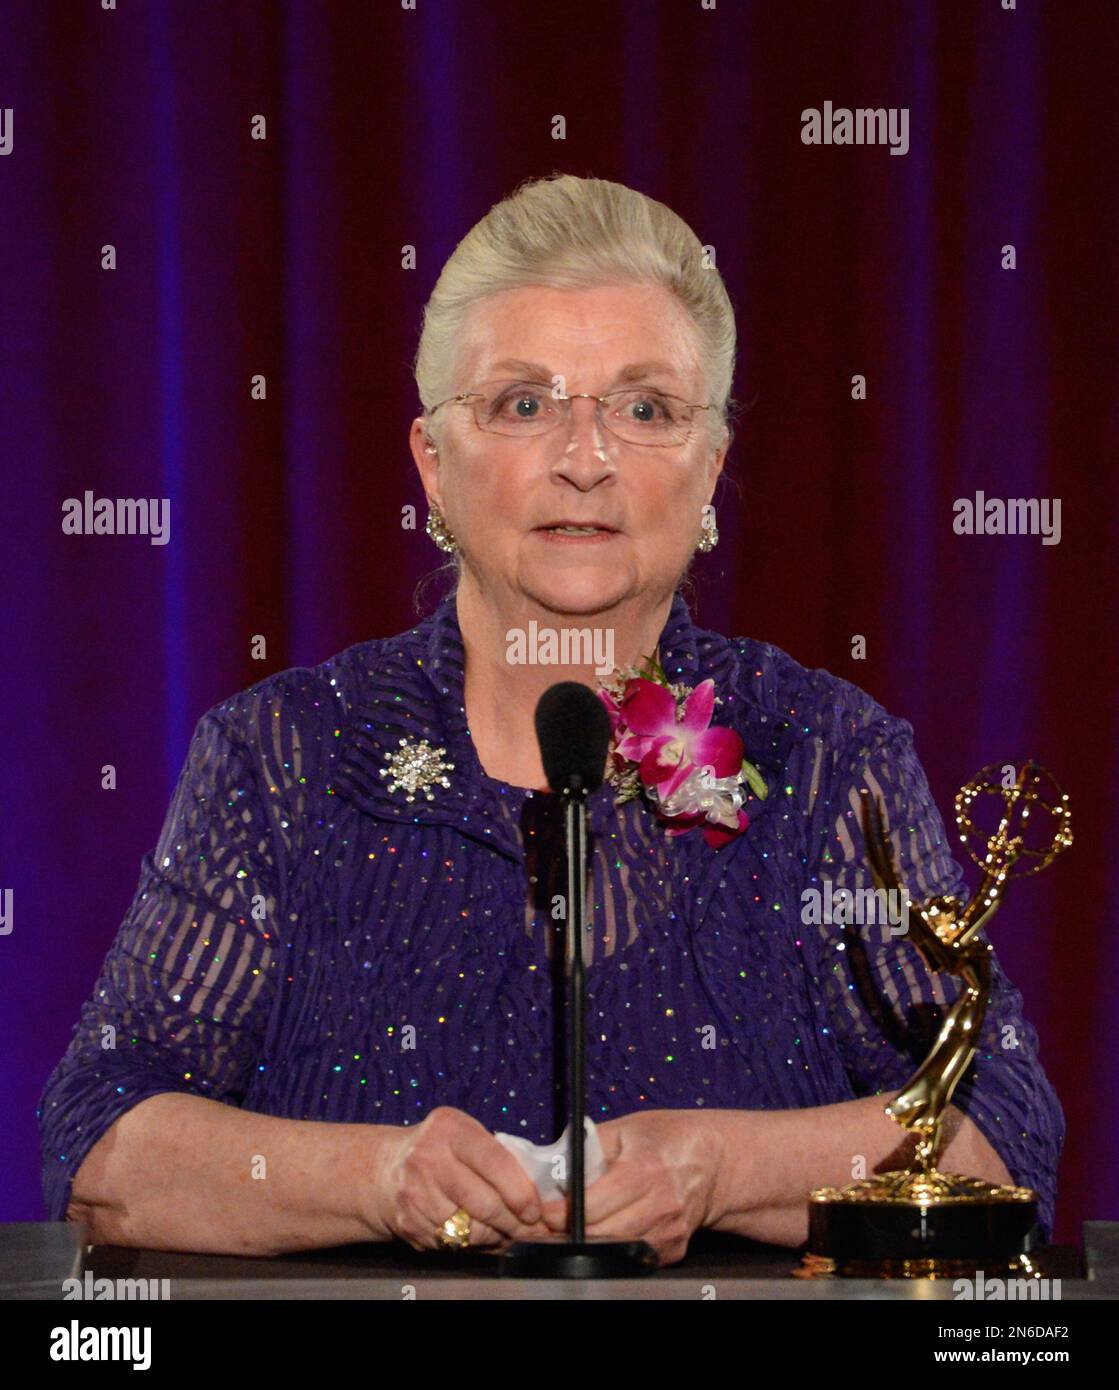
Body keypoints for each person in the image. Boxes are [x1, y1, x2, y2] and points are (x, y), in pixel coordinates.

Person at [39, 173, 1063, 1266]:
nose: (586, 458)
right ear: (432, 463)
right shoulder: (284, 755)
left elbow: (1004, 1127)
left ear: (712, 466)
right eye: (524, 403)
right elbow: (102, 1137)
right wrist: (380, 1176)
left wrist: (715, 1164)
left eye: (645, 409)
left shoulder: (824, 756)